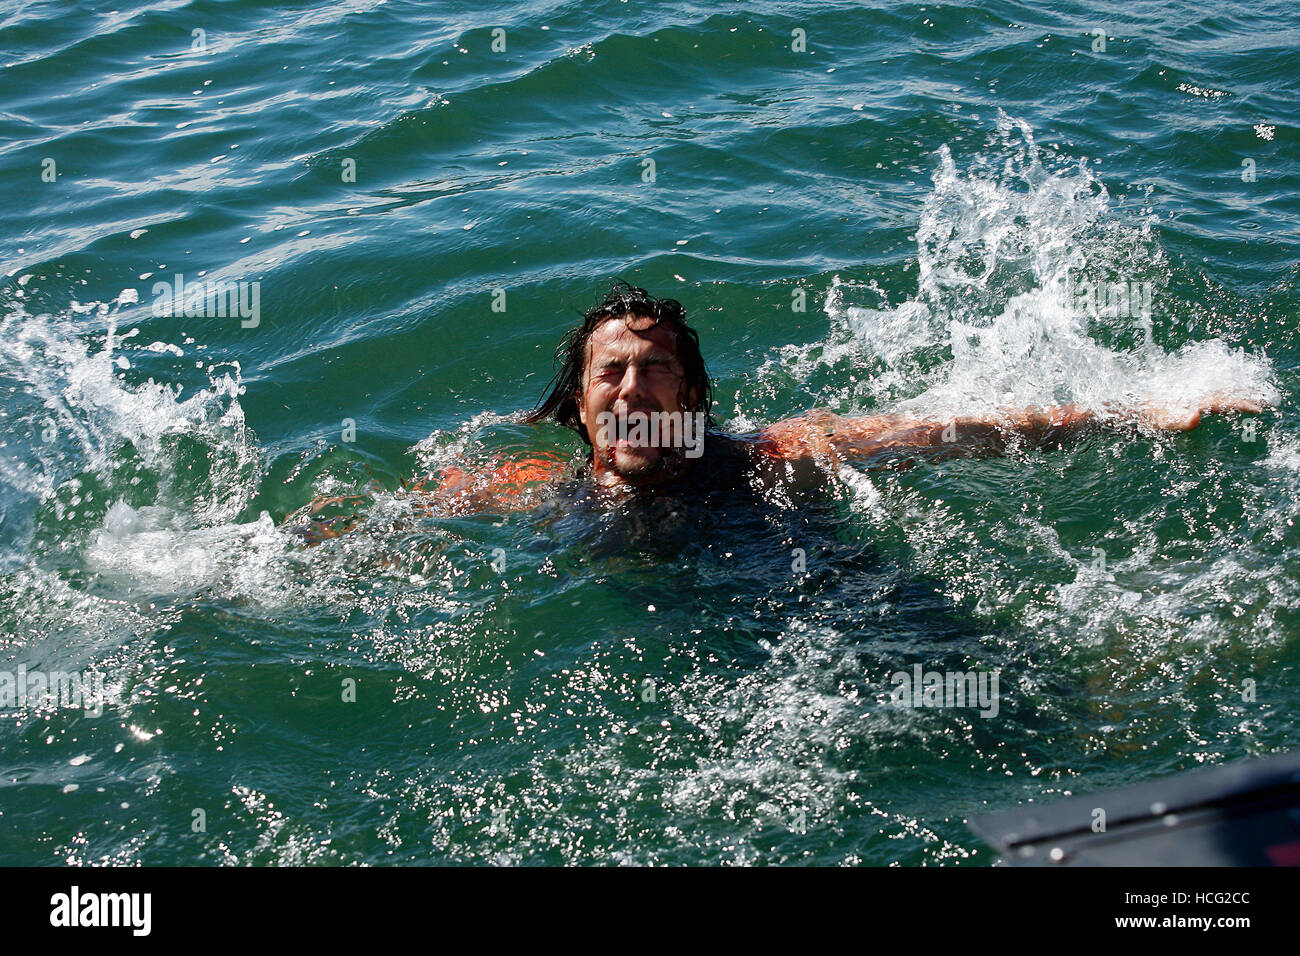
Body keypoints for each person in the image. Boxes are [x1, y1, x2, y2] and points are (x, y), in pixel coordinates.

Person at [420, 281, 1267, 515]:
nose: (634, 389)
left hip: (825, 599)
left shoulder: (769, 459)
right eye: (611, 374)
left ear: (695, 396)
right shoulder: (539, 490)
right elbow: (412, 514)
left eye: (656, 371)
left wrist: (1141, 411)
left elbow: (946, 432)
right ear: (579, 403)